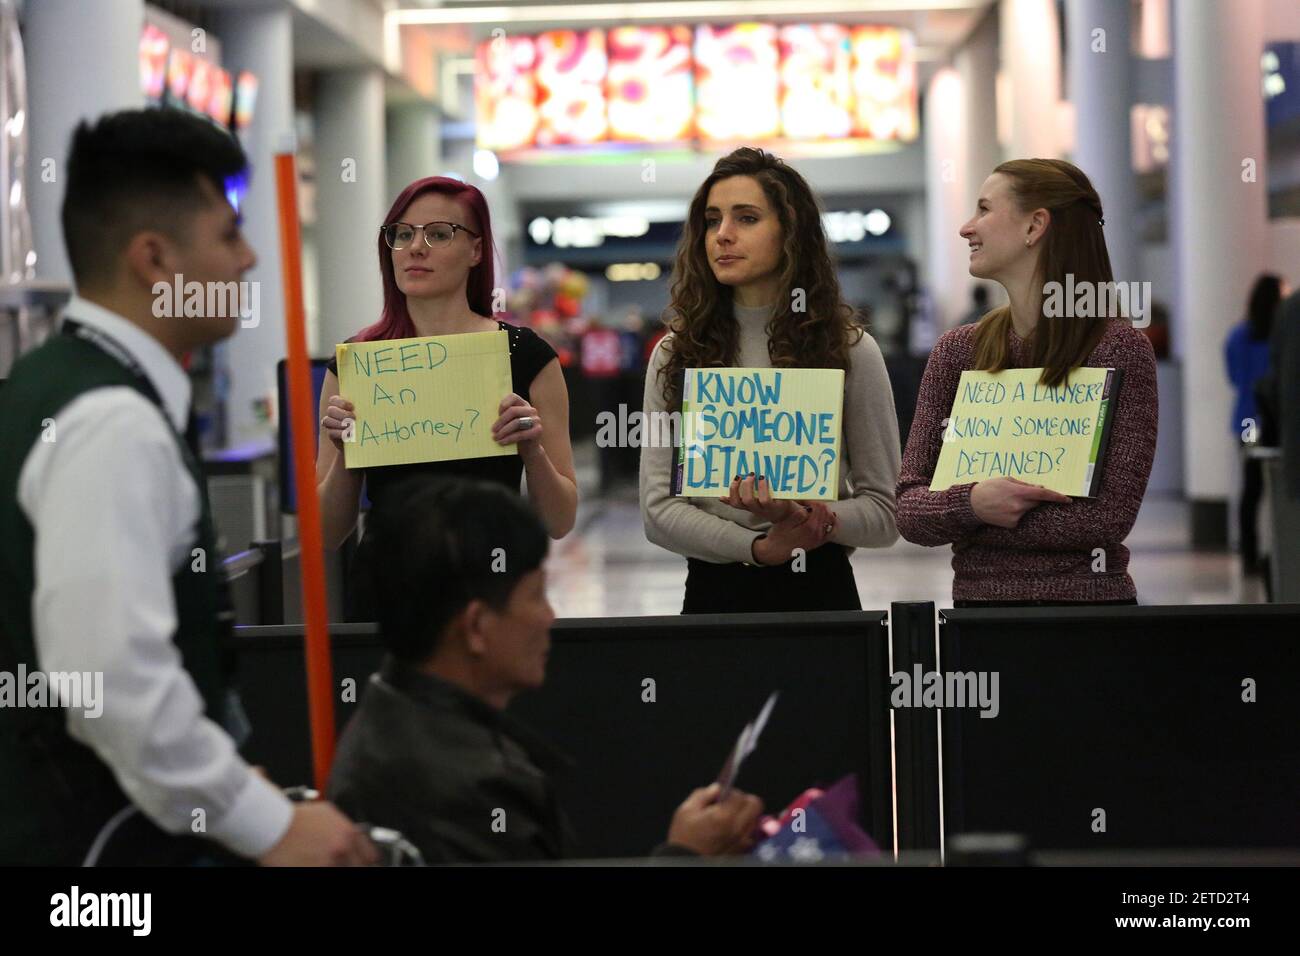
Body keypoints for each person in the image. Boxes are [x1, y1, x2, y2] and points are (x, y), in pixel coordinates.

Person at [0, 108, 376, 865]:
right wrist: (262, 821)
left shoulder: (51, 385)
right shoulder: (113, 422)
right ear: (154, 259)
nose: (249, 261)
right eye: (228, 234)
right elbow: (111, 680)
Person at [326, 479, 764, 862]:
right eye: (536, 595)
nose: (548, 616)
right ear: (477, 627)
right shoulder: (460, 789)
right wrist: (683, 856)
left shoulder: (395, 726)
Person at [639, 147, 900, 613]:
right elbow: (658, 511)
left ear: (791, 231)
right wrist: (758, 549)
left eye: (747, 218)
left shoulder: (850, 350)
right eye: (712, 219)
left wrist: (801, 518)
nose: (723, 235)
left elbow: (885, 513)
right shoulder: (675, 354)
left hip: (821, 591)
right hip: (713, 594)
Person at [895, 158, 1158, 606]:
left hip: (1091, 615)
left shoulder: (1118, 350)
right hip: (977, 616)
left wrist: (976, 515)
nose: (966, 228)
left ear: (1035, 226)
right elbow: (909, 511)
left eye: (983, 210)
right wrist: (974, 504)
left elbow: (1108, 519)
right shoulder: (957, 353)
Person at [316, 176, 577, 553]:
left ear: (476, 250)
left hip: (490, 584)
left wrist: (532, 452)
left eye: (439, 234)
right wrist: (346, 454)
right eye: (402, 234)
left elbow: (561, 520)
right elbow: (322, 534)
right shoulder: (358, 361)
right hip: (388, 593)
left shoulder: (524, 355)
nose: (416, 248)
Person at [1225, 274, 1284, 574]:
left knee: (1251, 487)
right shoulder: (1279, 336)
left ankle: (1249, 553)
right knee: (1274, 486)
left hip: (1248, 417)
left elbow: (1234, 376)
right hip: (1274, 418)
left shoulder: (1239, 335)